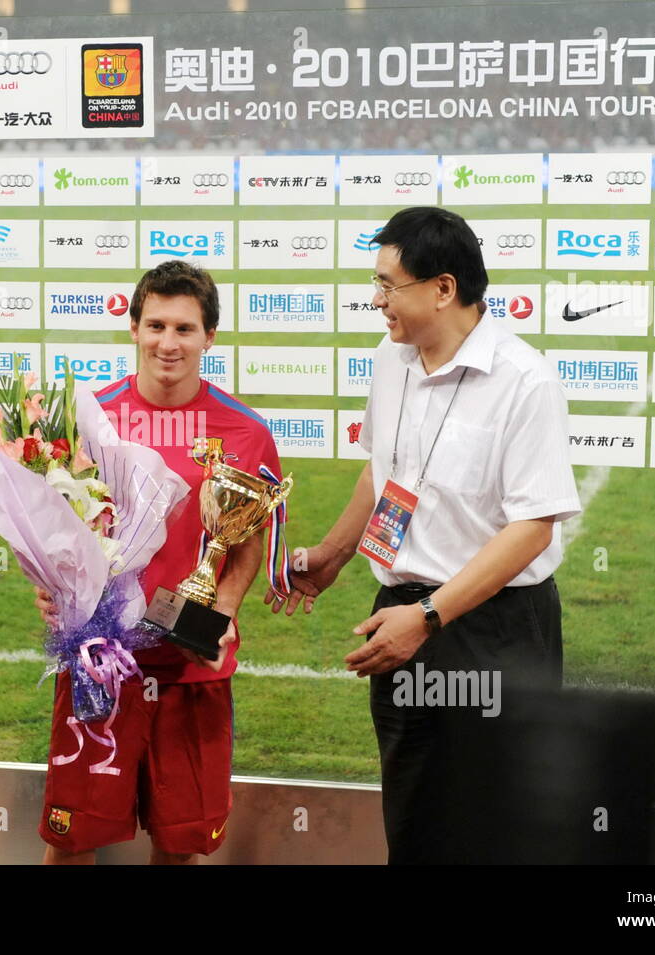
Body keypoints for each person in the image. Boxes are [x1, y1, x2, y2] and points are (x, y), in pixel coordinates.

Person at [266, 206, 581, 864]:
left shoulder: (526, 382)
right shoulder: (391, 357)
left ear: (442, 288)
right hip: (402, 618)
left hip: (493, 628)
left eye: (388, 284)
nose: (377, 300)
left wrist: (431, 615)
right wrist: (332, 553)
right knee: (415, 820)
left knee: (500, 826)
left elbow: (532, 527)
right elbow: (382, 470)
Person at [34, 260, 286, 865]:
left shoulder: (246, 432)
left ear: (209, 338)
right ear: (133, 328)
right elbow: (50, 523)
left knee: (180, 848)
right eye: (155, 326)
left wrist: (220, 611)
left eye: (184, 329)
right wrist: (50, 589)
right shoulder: (89, 420)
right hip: (102, 660)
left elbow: (247, 543)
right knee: (73, 838)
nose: (167, 343)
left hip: (191, 664)